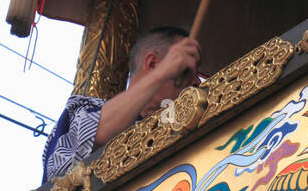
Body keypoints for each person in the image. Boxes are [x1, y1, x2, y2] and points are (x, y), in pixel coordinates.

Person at [42, 27, 201, 182]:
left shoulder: (182, 129)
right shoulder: (83, 111)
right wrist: (161, 74)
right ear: (153, 64)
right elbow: (61, 172)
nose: (196, 81)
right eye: (184, 69)